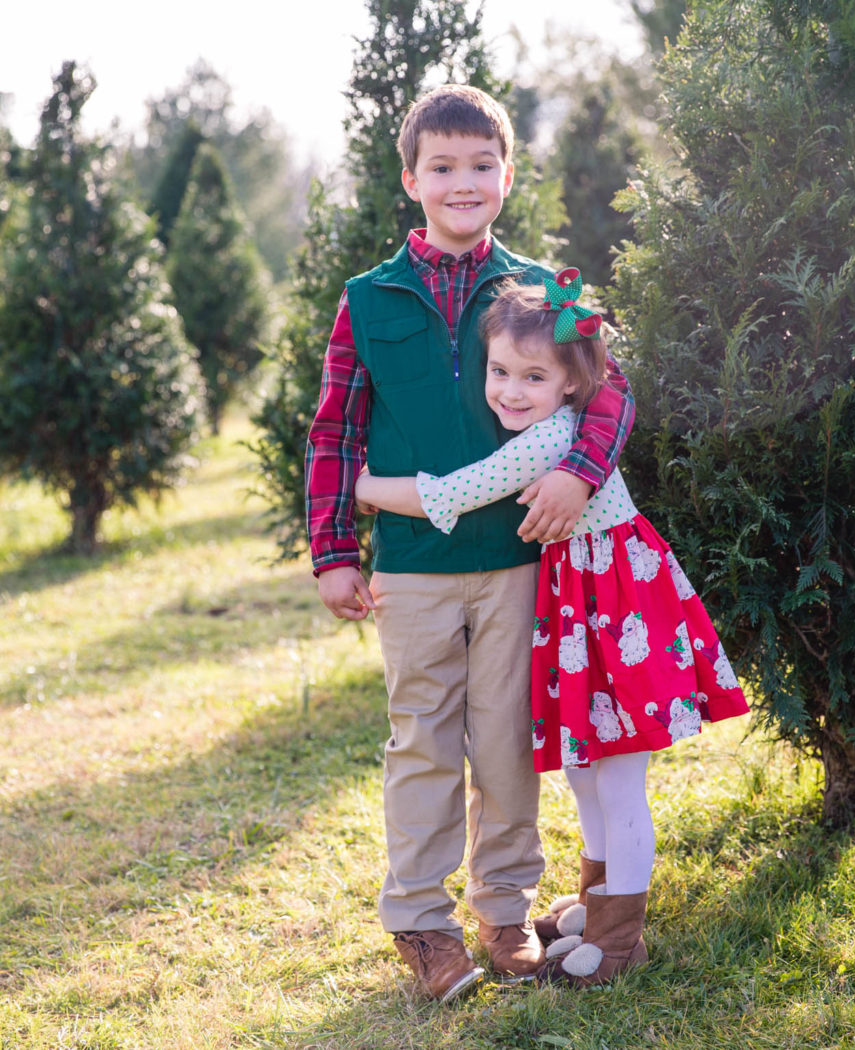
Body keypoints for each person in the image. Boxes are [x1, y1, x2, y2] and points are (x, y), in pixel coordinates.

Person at [305, 85, 636, 1002]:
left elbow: (610, 395)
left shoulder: (541, 292)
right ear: (410, 178)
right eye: (443, 167)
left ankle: (503, 912)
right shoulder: (367, 302)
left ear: (507, 174)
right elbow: (334, 429)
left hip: (520, 563)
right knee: (423, 741)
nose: (464, 182)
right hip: (411, 570)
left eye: (482, 165)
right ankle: (420, 923)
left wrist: (577, 474)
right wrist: (334, 549)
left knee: (504, 745)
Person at [355, 271, 750, 987]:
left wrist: (361, 484)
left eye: (533, 376)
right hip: (583, 601)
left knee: (618, 773)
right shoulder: (546, 426)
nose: (508, 390)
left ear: (572, 383)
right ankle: (598, 908)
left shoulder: (550, 441)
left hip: (617, 604)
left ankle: (620, 937)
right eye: (498, 371)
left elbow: (454, 494)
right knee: (586, 767)